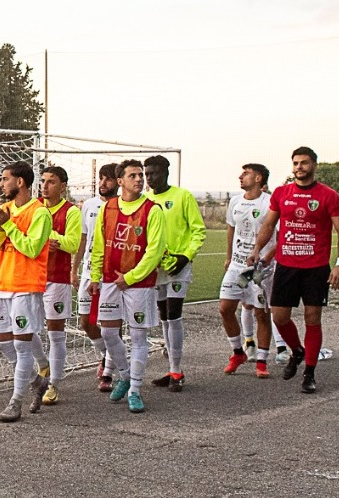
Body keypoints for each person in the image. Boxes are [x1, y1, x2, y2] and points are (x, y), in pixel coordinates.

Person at [248, 146, 339, 393]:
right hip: (286, 265)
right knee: (279, 317)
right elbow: (269, 225)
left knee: (312, 319)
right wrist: (257, 249)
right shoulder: (281, 193)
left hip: (316, 267)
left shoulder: (328, 195)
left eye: (304, 163)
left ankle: (309, 372)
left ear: (314, 166)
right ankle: (297, 351)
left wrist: (338, 265)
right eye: (296, 163)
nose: (299, 167)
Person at [89, 160, 166, 413]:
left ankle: (135, 389)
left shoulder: (152, 210)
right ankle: (124, 375)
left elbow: (155, 252)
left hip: (139, 283)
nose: (139, 179)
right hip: (111, 280)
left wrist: (131, 277)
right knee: (109, 333)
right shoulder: (108, 208)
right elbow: (99, 244)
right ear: (120, 181)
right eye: (133, 175)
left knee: (138, 336)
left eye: (140, 175)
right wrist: (95, 276)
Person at [0, 162, 53, 423]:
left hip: (25, 285)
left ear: (21, 182)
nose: (2, 184)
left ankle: (16, 401)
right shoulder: (4, 210)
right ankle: (37, 381)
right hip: (2, 283)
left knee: (21, 344)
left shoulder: (40, 213)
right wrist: (2, 226)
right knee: (1, 342)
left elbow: (32, 249)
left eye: (5, 179)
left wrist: (10, 226)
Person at [144, 155, 205, 392]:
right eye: (146, 173)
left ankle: (177, 371)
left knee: (174, 312)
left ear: (165, 173)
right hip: (156, 268)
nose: (149, 178)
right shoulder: (146, 200)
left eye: (153, 173)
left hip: (177, 266)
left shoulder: (183, 196)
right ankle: (171, 369)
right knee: (163, 316)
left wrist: (185, 256)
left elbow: (198, 231)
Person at [218, 163, 274, 378]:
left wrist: (267, 257)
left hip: (259, 268)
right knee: (225, 308)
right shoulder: (235, 201)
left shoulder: (269, 202)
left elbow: (278, 234)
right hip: (238, 266)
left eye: (246, 173)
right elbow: (231, 228)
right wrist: (229, 256)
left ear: (258, 178)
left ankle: (261, 360)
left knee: (260, 312)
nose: (241, 176)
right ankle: (238, 352)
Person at [38, 166, 82, 404]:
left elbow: (73, 243)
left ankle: (53, 384)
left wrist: (53, 239)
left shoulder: (71, 212)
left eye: (51, 182)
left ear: (63, 186)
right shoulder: (35, 207)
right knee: (24, 331)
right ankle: (42, 365)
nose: (45, 186)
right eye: (43, 181)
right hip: (33, 277)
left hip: (57, 278)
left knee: (55, 333)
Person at [73, 163, 119, 392]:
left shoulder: (121, 207)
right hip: (89, 271)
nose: (103, 183)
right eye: (101, 178)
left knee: (111, 324)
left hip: (111, 274)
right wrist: (75, 269)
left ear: (118, 182)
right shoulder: (89, 205)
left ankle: (108, 373)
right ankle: (106, 354)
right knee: (86, 322)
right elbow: (83, 239)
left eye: (108, 179)